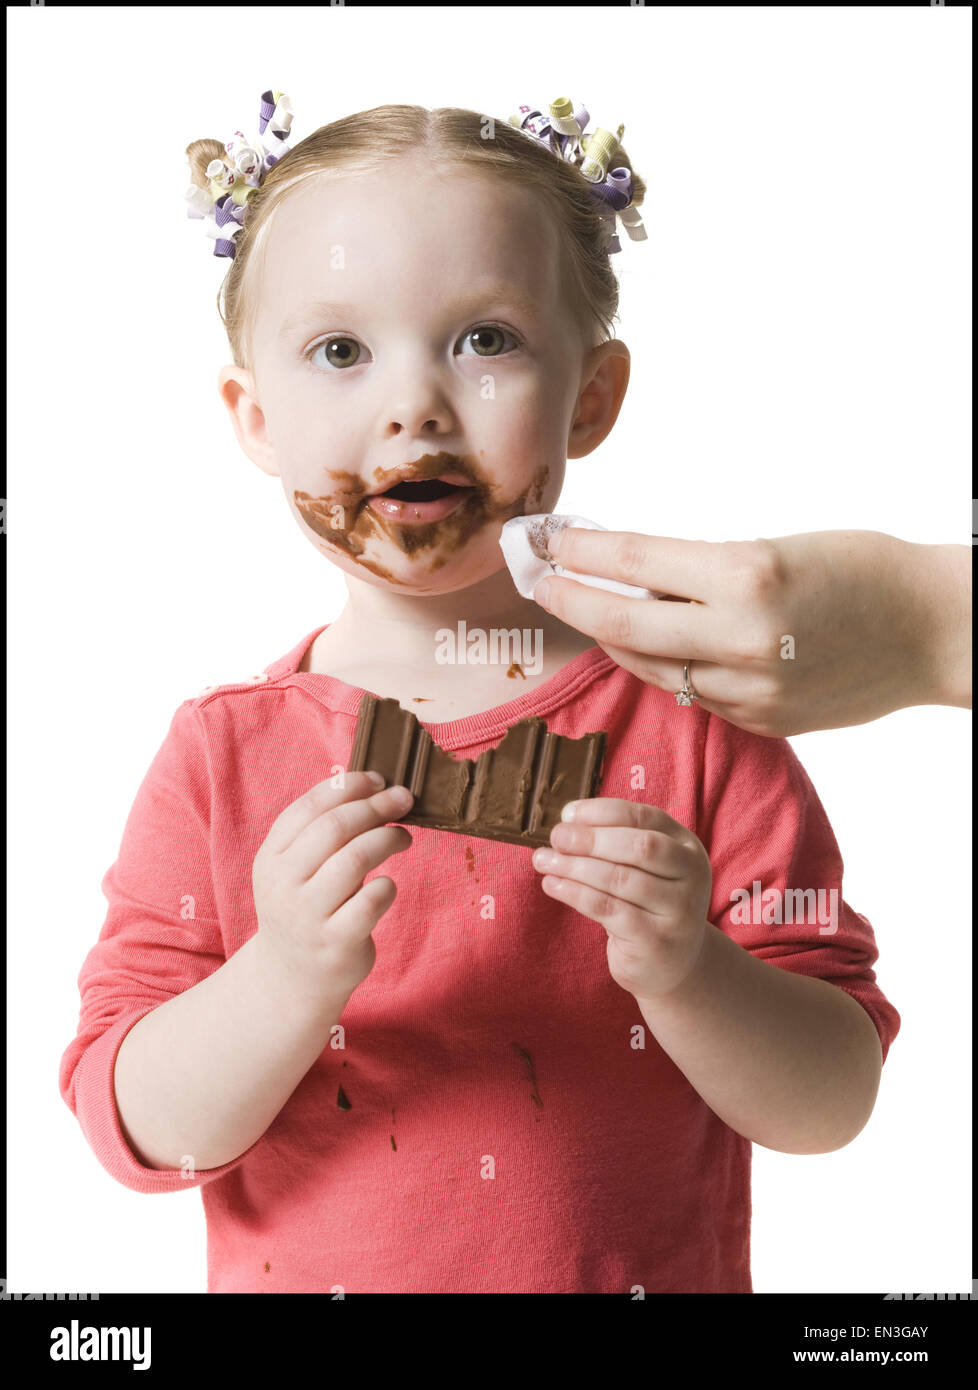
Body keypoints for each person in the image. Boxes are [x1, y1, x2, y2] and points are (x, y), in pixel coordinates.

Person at [59, 92, 899, 1295]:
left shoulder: (699, 714)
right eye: (340, 351)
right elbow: (136, 1129)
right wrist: (283, 977)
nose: (415, 406)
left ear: (592, 396)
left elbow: (833, 1102)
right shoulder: (219, 755)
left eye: (486, 340)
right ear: (256, 417)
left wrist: (689, 971)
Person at [531, 526, 971, 737]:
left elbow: (803, 919)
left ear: (592, 401)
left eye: (487, 340)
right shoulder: (725, 671)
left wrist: (921, 622)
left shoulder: (705, 701)